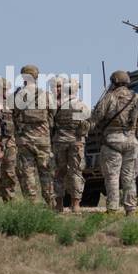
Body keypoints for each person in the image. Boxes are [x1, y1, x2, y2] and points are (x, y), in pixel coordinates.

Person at [89, 69, 138, 214]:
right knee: (129, 178)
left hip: (112, 142)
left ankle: (113, 209)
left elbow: (95, 119)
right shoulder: (137, 97)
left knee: (112, 177)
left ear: (114, 82)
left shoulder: (109, 97)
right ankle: (130, 209)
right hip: (131, 141)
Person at [12, 65, 56, 208]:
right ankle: (51, 203)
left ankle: (30, 205)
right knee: (46, 172)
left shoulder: (17, 96)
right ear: (37, 77)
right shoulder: (46, 95)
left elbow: (11, 115)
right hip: (43, 140)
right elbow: (53, 114)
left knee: (27, 172)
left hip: (24, 140)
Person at [50, 75, 91, 213]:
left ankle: (59, 204)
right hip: (76, 142)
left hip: (59, 142)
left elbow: (51, 124)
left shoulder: (56, 105)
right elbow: (86, 124)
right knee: (76, 173)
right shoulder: (81, 105)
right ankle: (76, 204)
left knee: (59, 173)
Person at [0, 78, 18, 202]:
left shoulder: (10, 104)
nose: (6, 92)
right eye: (3, 89)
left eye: (7, 89)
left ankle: (9, 200)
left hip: (10, 143)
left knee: (9, 173)